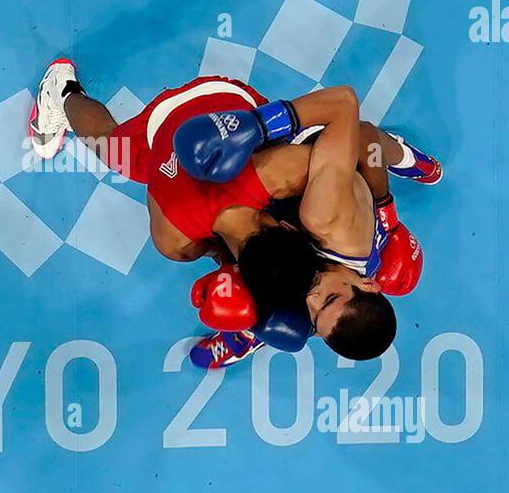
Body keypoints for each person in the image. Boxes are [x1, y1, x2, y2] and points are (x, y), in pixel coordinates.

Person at [29, 60, 438, 365]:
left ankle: (249, 330)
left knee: (284, 303)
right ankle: (62, 95)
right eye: (326, 297)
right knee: (115, 151)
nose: (312, 298)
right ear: (367, 285)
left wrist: (242, 289)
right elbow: (358, 127)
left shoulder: (319, 290)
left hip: (243, 166)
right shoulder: (325, 218)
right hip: (238, 126)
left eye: (316, 316)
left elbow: (305, 294)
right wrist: (386, 210)